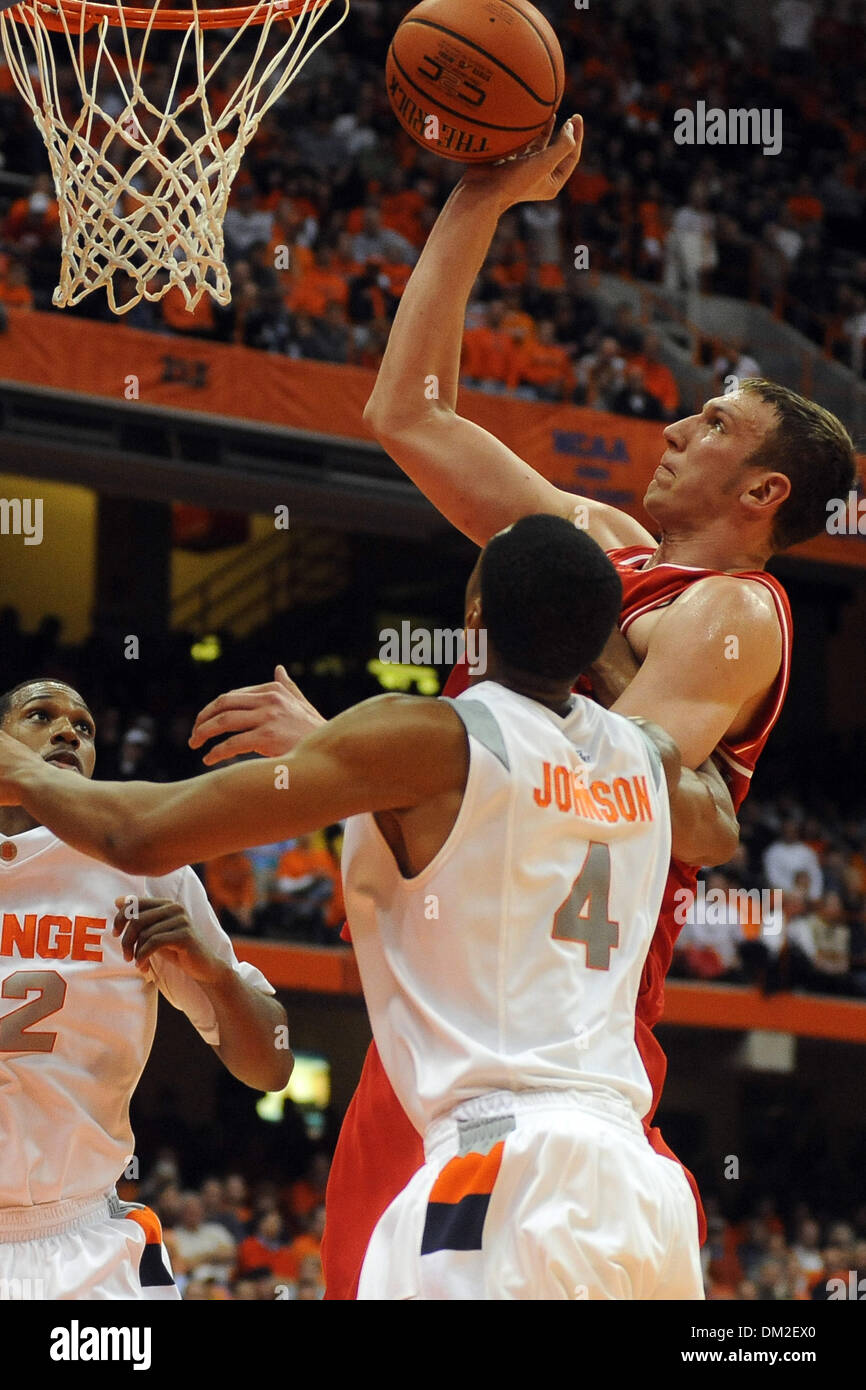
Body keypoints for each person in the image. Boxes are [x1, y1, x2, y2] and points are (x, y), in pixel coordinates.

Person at [0, 520, 738, 1300]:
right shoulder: (647, 757)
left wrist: (23, 772)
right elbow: (716, 822)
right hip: (637, 1182)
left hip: (499, 1164)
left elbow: (136, 832)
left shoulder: (426, 734)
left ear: (475, 617)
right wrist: (601, 650)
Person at [0, 678, 291, 1301]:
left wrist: (213, 972)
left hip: (82, 1243)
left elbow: (272, 1064)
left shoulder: (144, 866)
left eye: (84, 726)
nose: (68, 732)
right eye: (41, 715)